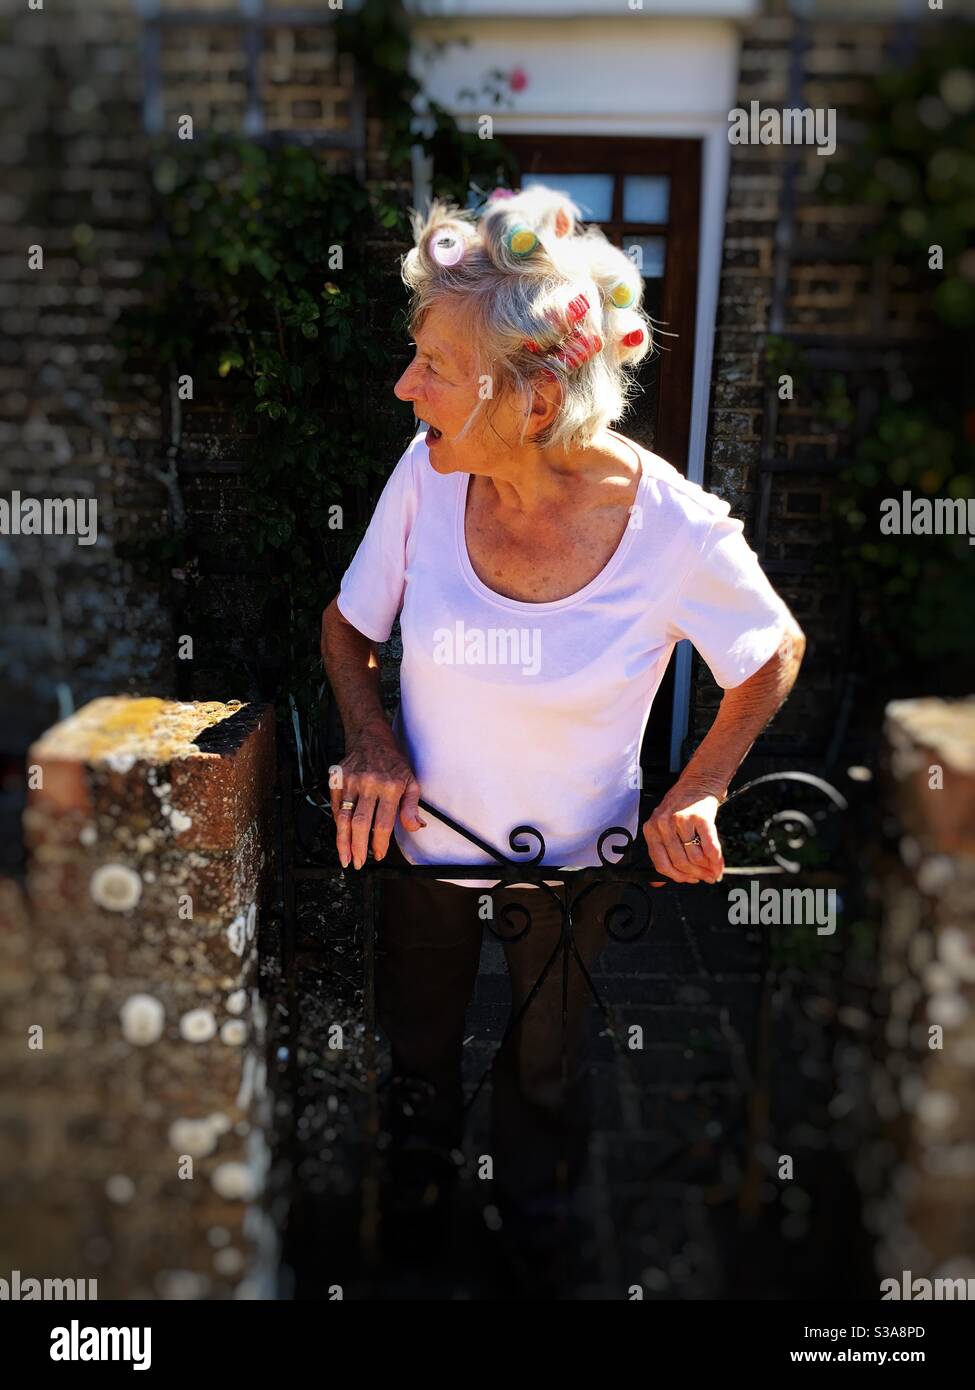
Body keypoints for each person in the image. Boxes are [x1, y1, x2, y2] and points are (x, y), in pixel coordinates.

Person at [320, 186, 805, 1278]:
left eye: (435, 368)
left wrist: (702, 785)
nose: (406, 388)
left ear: (536, 400)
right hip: (428, 851)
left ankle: (530, 1249)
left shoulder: (670, 524)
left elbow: (771, 648)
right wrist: (372, 737)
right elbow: (348, 630)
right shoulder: (427, 473)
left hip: (577, 865)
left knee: (543, 1074)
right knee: (418, 1063)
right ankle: (415, 1224)